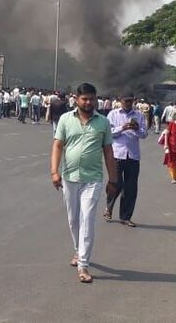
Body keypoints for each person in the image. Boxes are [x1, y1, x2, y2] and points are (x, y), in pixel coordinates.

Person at [50, 82, 118, 284]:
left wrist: (113, 179)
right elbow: (58, 146)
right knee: (73, 219)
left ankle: (84, 264)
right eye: (84, 99)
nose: (89, 102)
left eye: (92, 99)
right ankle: (78, 250)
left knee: (87, 219)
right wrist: (55, 172)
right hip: (69, 177)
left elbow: (108, 151)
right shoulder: (65, 119)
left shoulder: (103, 122)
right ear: (76, 99)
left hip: (93, 179)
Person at [104, 94, 148, 226]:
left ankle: (126, 216)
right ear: (120, 101)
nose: (128, 103)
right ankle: (109, 207)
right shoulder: (113, 114)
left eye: (130, 101)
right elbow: (108, 132)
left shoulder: (139, 115)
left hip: (133, 155)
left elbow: (144, 134)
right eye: (125, 101)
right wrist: (122, 128)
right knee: (115, 183)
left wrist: (136, 129)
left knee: (130, 188)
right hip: (117, 154)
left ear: (134, 101)